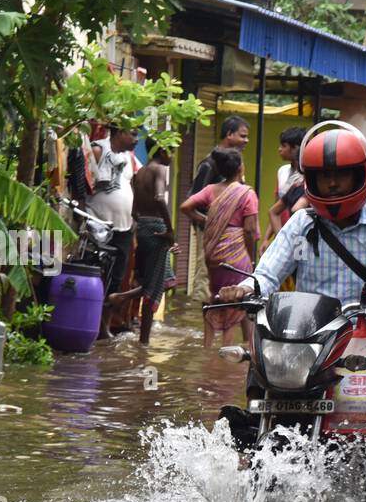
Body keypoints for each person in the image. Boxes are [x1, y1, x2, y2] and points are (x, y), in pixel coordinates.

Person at [215, 122, 366, 364]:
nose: (332, 183)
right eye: (324, 175)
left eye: (341, 174)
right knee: (259, 374)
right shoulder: (301, 224)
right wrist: (246, 289)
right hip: (306, 339)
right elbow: (269, 274)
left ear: (360, 175)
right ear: (311, 179)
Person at [180, 148, 260, 349]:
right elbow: (250, 230)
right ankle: (226, 356)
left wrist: (207, 220)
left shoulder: (210, 190)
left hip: (214, 253)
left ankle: (207, 348)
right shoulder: (246, 194)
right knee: (233, 303)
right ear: (240, 167)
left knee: (215, 298)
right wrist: (250, 259)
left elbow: (185, 207)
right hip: (236, 254)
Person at [105, 140, 174, 346]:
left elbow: (134, 210)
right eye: (172, 151)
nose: (172, 157)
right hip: (157, 228)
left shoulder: (140, 171)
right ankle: (144, 342)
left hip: (142, 226)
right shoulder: (159, 169)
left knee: (160, 281)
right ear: (162, 150)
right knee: (154, 288)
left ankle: (123, 298)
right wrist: (169, 230)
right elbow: (160, 198)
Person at [87, 125, 139, 339]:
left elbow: (134, 185)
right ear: (118, 132)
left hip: (124, 227)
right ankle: (89, 324)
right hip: (98, 226)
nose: (137, 138)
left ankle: (104, 328)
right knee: (95, 274)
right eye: (132, 133)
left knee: (115, 279)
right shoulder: (98, 150)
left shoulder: (130, 158)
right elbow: (84, 185)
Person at [267, 126, 310, 243]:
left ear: (296, 148)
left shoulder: (310, 176)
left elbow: (297, 210)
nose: (279, 149)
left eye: (283, 145)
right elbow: (275, 208)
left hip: (304, 236)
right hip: (285, 233)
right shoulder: (282, 171)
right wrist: (270, 238)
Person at [190, 116, 250, 197]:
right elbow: (193, 200)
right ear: (229, 134)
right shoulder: (210, 164)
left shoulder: (238, 162)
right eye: (243, 136)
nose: (246, 140)